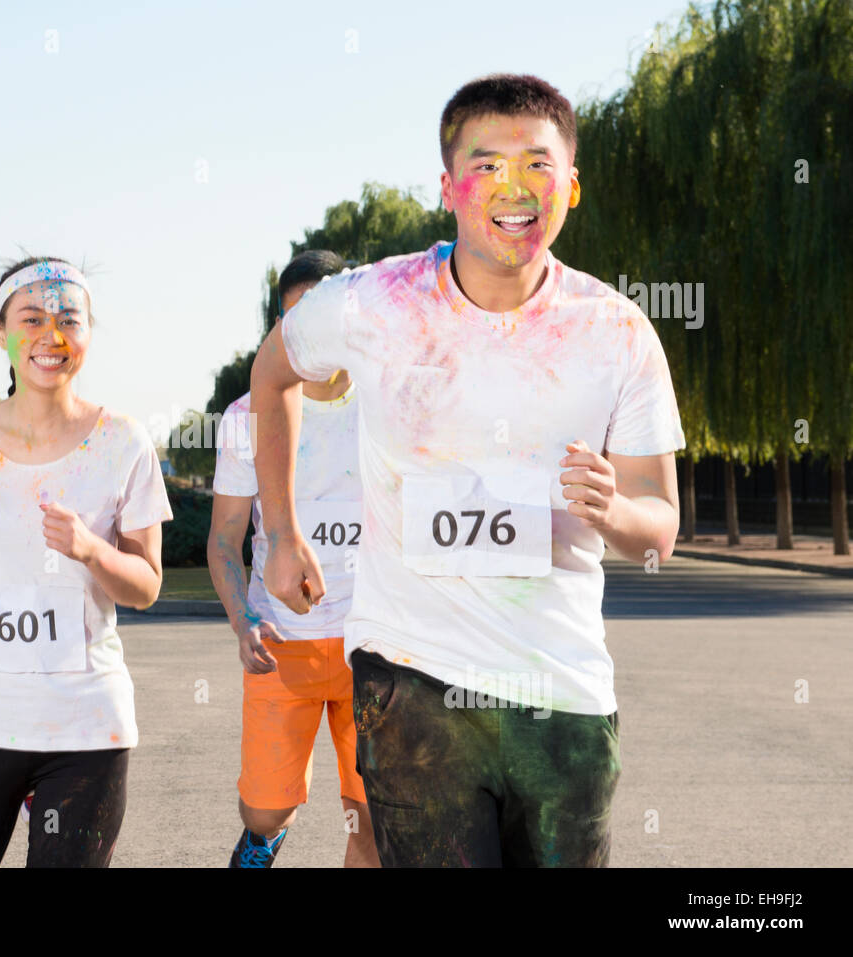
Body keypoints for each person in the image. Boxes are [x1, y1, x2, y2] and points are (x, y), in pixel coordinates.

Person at [250, 74, 685, 867]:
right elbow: (272, 374)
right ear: (447, 186)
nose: (512, 187)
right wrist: (280, 531)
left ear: (572, 186)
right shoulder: (370, 302)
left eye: (537, 165)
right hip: (413, 682)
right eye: (486, 165)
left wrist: (616, 509)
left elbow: (660, 523)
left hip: (562, 694)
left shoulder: (617, 333)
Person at [0, 257, 172, 868]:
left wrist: (91, 550)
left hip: (86, 726)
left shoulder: (122, 441)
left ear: (87, 333)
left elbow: (146, 586)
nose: (51, 337)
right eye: (32, 318)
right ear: (0, 332)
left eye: (68, 320)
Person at [209, 250, 378, 868]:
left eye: (319, 316)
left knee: (373, 817)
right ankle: (261, 841)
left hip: (377, 644)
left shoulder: (391, 405)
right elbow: (226, 539)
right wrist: (241, 620)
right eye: (290, 321)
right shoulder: (244, 418)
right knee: (266, 808)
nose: (305, 334)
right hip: (284, 641)